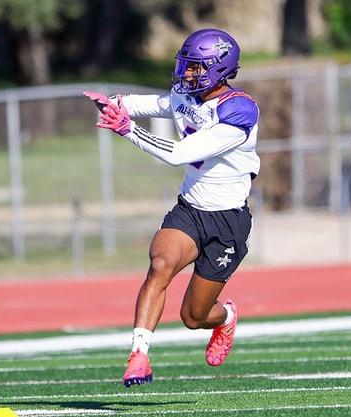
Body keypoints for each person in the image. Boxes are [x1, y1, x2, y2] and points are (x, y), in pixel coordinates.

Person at [83, 28, 260, 387]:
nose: (186, 73)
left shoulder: (239, 111)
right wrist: (114, 102)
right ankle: (138, 355)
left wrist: (129, 130)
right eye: (186, 65)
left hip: (228, 221)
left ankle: (226, 318)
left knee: (194, 317)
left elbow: (180, 153)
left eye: (195, 67)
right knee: (160, 265)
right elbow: (157, 104)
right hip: (190, 208)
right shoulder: (185, 94)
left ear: (219, 68)